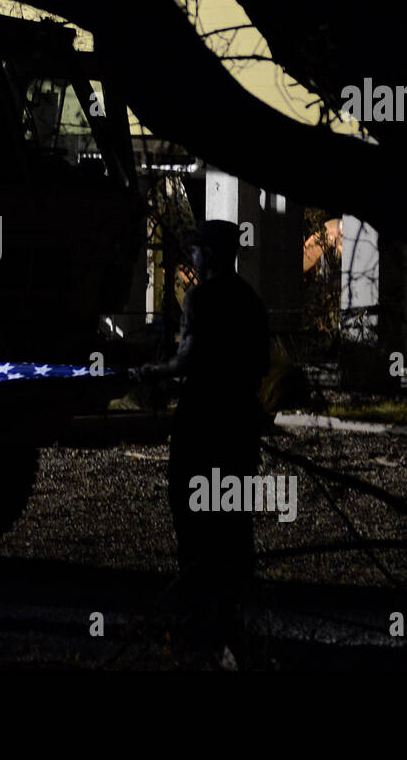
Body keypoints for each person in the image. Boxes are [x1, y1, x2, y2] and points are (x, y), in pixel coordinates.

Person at [135, 220, 269, 655]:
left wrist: (152, 373)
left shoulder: (200, 298)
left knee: (192, 514)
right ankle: (234, 617)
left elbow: (187, 361)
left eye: (194, 250)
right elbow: (261, 362)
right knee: (232, 519)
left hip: (203, 423)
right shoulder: (250, 300)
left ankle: (197, 616)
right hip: (240, 425)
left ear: (208, 254)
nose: (190, 258)